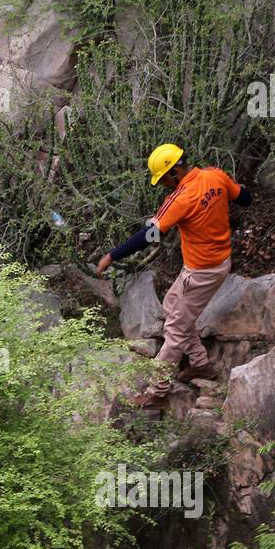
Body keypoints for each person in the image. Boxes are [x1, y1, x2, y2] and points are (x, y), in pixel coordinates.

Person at [96, 143, 252, 408]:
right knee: (171, 306)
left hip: (201, 272)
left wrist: (113, 255)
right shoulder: (215, 175)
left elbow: (149, 235)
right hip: (217, 262)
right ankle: (201, 364)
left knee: (175, 329)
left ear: (174, 172)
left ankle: (157, 391)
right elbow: (244, 198)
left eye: (163, 180)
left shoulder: (181, 198)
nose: (163, 186)